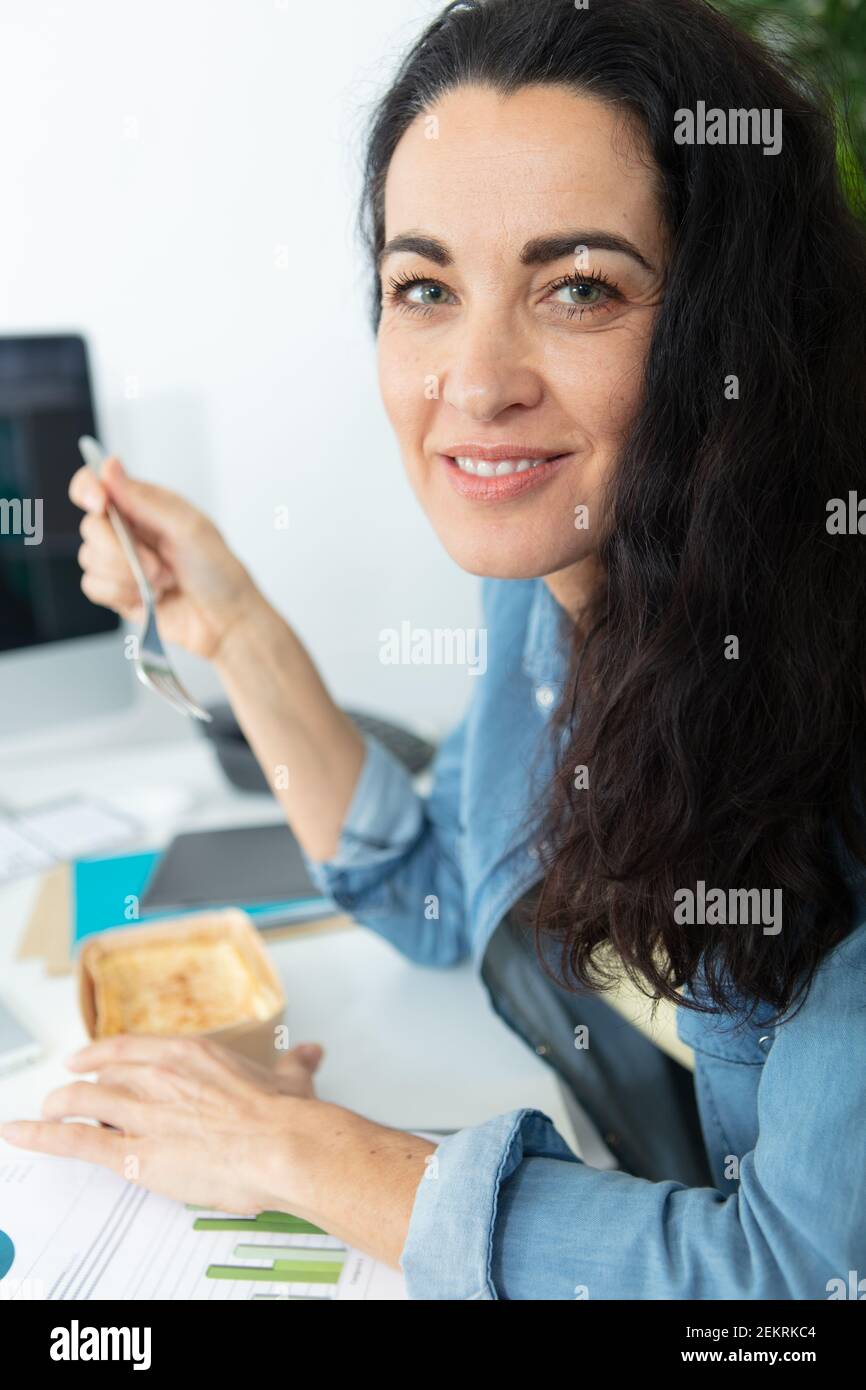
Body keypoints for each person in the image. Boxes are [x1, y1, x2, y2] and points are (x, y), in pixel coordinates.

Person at [4, 0, 866, 1299]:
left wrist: (300, 1149)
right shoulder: (557, 585)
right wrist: (234, 624)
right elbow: (450, 899)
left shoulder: (826, 710)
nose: (473, 380)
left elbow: (800, 1274)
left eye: (576, 287)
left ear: (731, 329)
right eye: (423, 287)